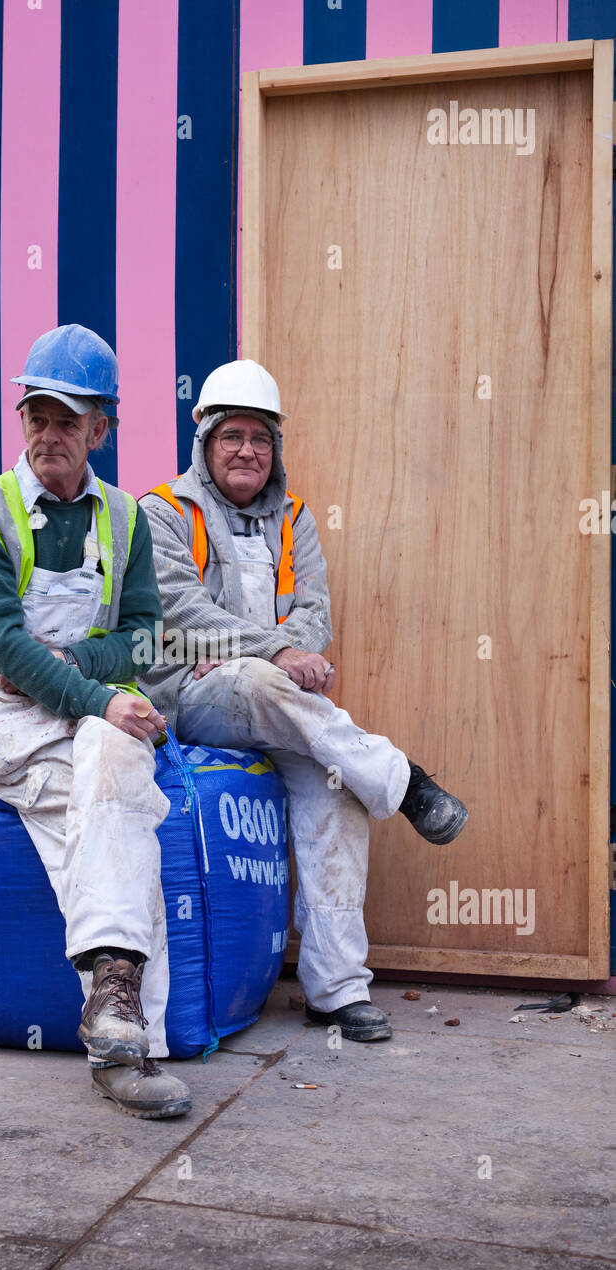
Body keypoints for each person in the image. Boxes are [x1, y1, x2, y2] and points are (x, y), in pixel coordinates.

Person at [139, 359, 468, 1042]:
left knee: (338, 781)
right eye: (231, 435)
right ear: (203, 441)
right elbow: (179, 615)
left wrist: (281, 655)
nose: (246, 451)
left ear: (275, 449)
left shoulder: (294, 518)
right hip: (192, 696)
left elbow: (312, 616)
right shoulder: (161, 512)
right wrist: (273, 655)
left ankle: (337, 990)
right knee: (260, 680)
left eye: (260, 438)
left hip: (276, 702)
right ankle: (405, 780)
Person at [0, 324, 191, 1118]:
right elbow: (0, 643)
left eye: (67, 420)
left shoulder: (127, 518)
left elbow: (142, 634)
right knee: (117, 808)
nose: (47, 434)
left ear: (101, 429)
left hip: (75, 709)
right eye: (36, 415)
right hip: (6, 717)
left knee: (110, 779)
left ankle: (114, 1021)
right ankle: (132, 1042)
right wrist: (101, 691)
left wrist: (81, 675)